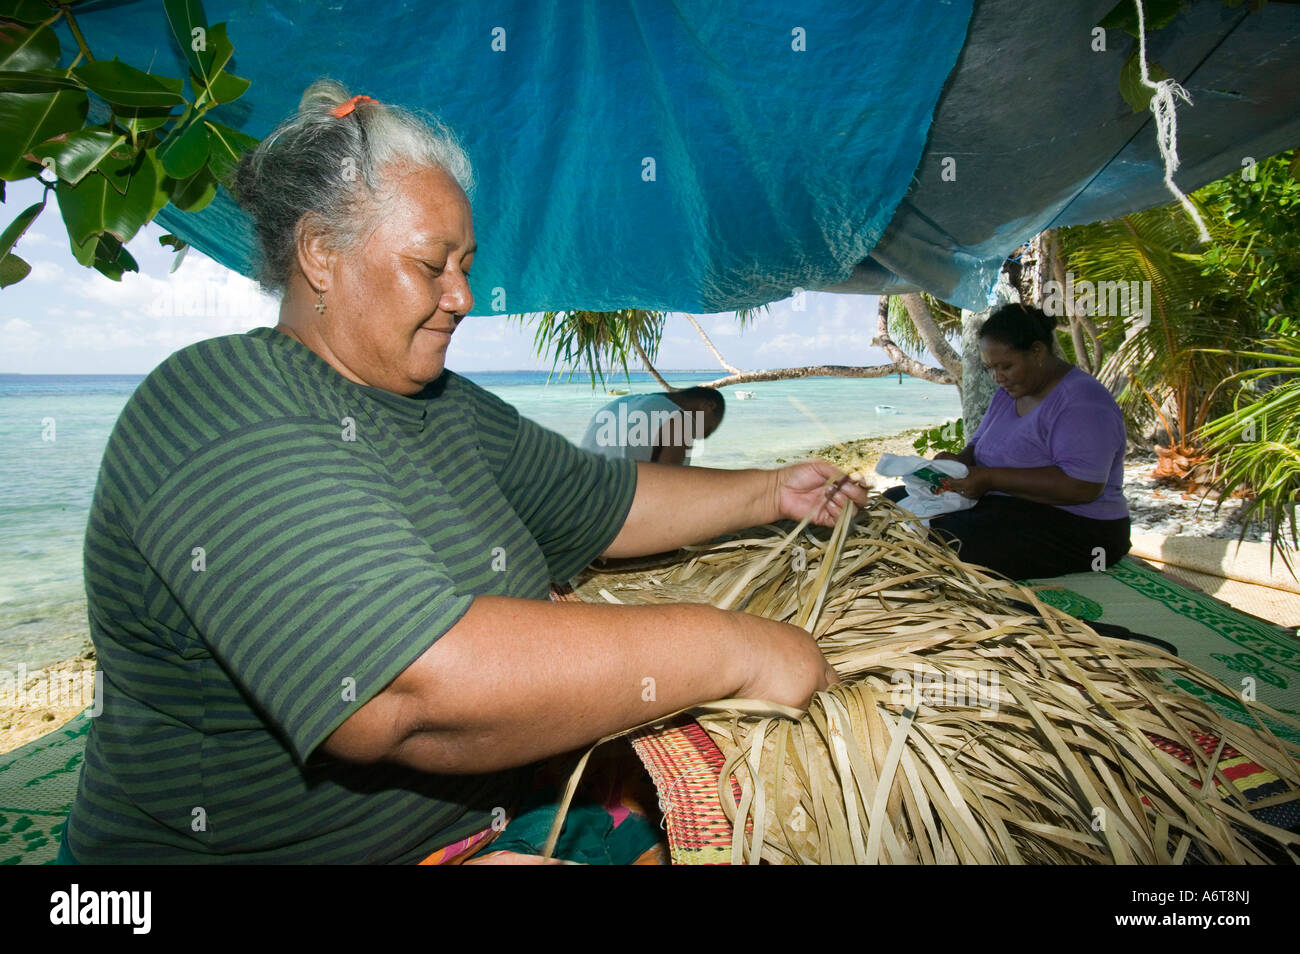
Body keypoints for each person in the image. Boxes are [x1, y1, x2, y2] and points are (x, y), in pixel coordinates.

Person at [58, 80, 869, 864]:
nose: (465, 296)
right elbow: (403, 692)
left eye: (468, 265)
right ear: (320, 254)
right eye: (433, 265)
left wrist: (767, 490)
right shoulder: (216, 404)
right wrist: (738, 648)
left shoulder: (445, 406)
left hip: (490, 815)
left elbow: (605, 500)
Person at [884, 303, 1130, 580]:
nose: (998, 377)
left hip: (1083, 528)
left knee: (947, 540)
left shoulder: (1083, 401)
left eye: (1006, 366)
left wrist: (990, 479)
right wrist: (957, 463)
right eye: (991, 368)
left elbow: (1083, 487)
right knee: (891, 503)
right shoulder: (1010, 392)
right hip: (1014, 506)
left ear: (1037, 351)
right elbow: (978, 447)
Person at [580, 387, 725, 465]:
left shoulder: (619, 404)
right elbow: (670, 487)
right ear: (709, 405)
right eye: (706, 431)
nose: (698, 437)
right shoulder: (682, 421)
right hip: (614, 511)